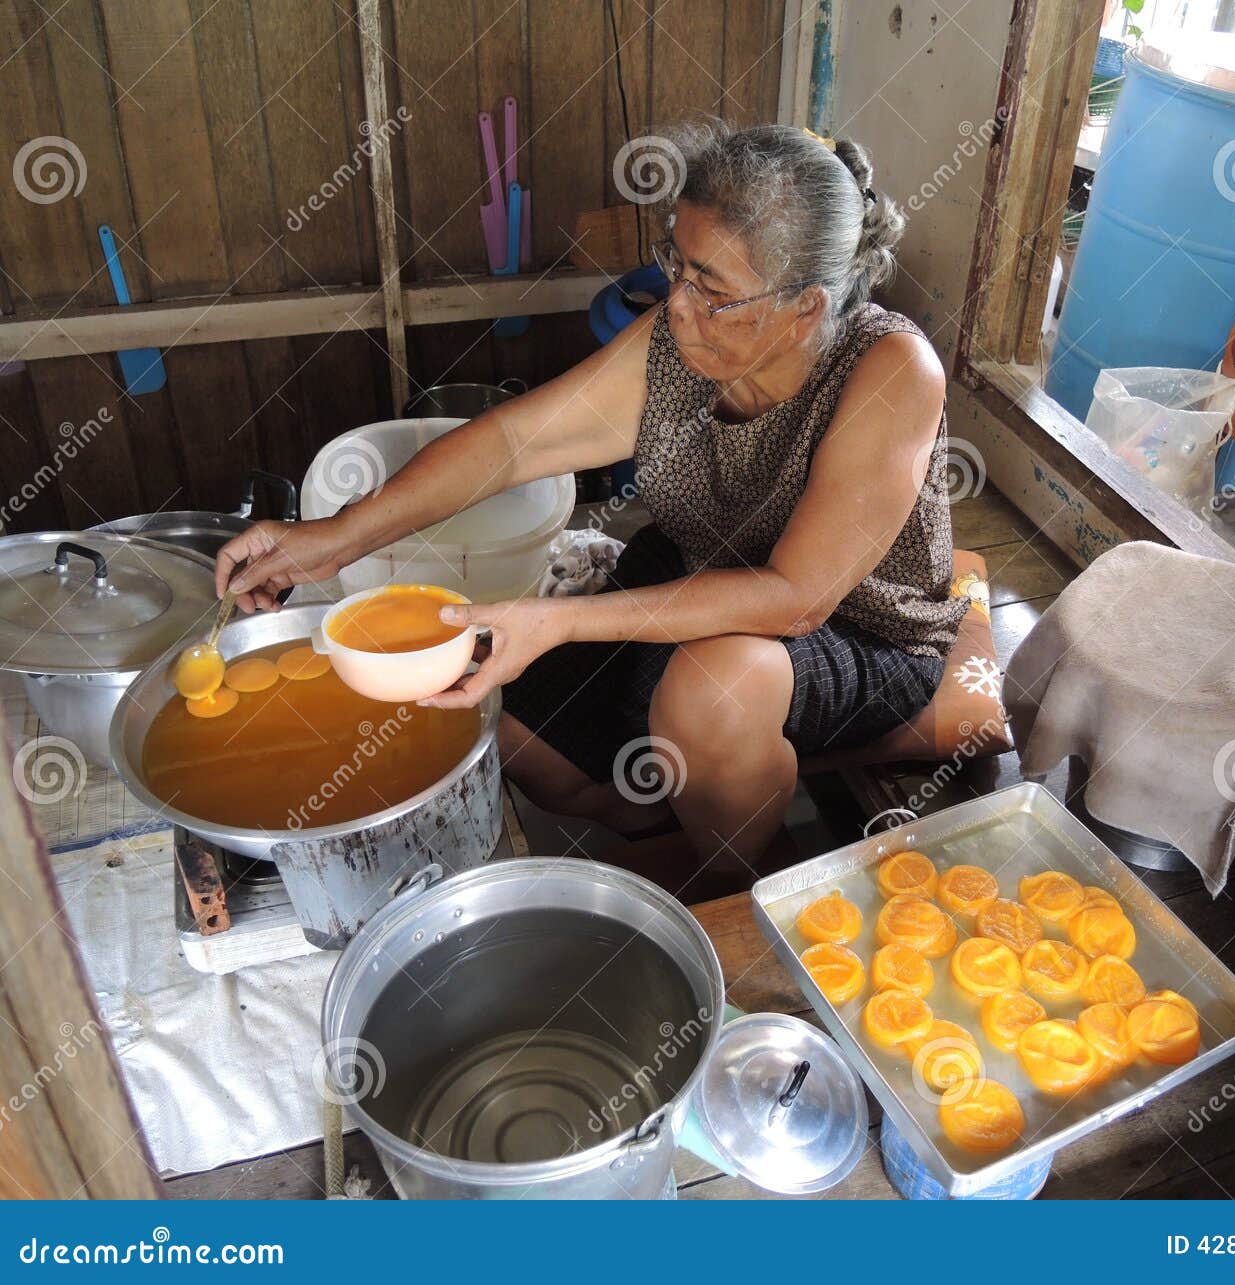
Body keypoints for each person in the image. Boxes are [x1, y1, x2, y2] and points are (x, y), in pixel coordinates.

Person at [216, 122, 966, 868]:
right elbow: (513, 443)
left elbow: (796, 598)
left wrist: (563, 619)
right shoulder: (677, 343)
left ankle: (739, 895)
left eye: (713, 290)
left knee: (715, 690)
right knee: (486, 708)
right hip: (696, 579)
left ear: (805, 307)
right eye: (677, 264)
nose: (677, 304)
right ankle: (658, 815)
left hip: (860, 633)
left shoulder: (890, 369)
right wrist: (332, 539)